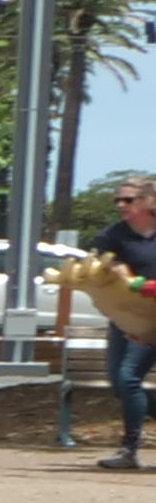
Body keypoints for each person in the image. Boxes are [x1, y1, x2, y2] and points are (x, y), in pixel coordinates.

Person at [91, 174, 155, 471]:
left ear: (148, 201)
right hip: (128, 317)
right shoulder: (112, 235)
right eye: (118, 199)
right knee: (120, 384)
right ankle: (130, 447)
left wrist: (146, 286)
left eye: (128, 199)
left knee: (129, 378)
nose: (121, 205)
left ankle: (129, 450)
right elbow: (104, 266)